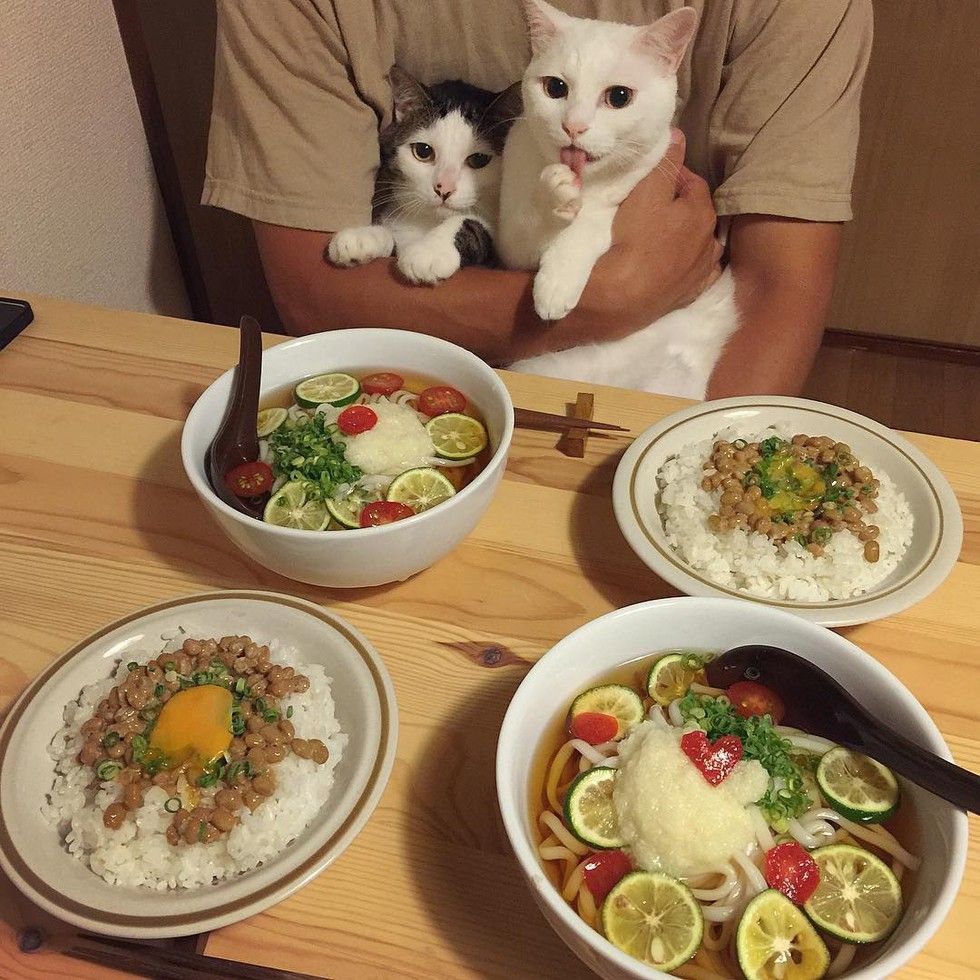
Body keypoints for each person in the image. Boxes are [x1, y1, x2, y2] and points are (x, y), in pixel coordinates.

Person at [203, 1, 872, 397]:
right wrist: (620, 292)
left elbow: (778, 289)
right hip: (414, 387)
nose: (576, 126)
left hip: (671, 374)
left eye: (614, 98)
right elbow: (314, 294)